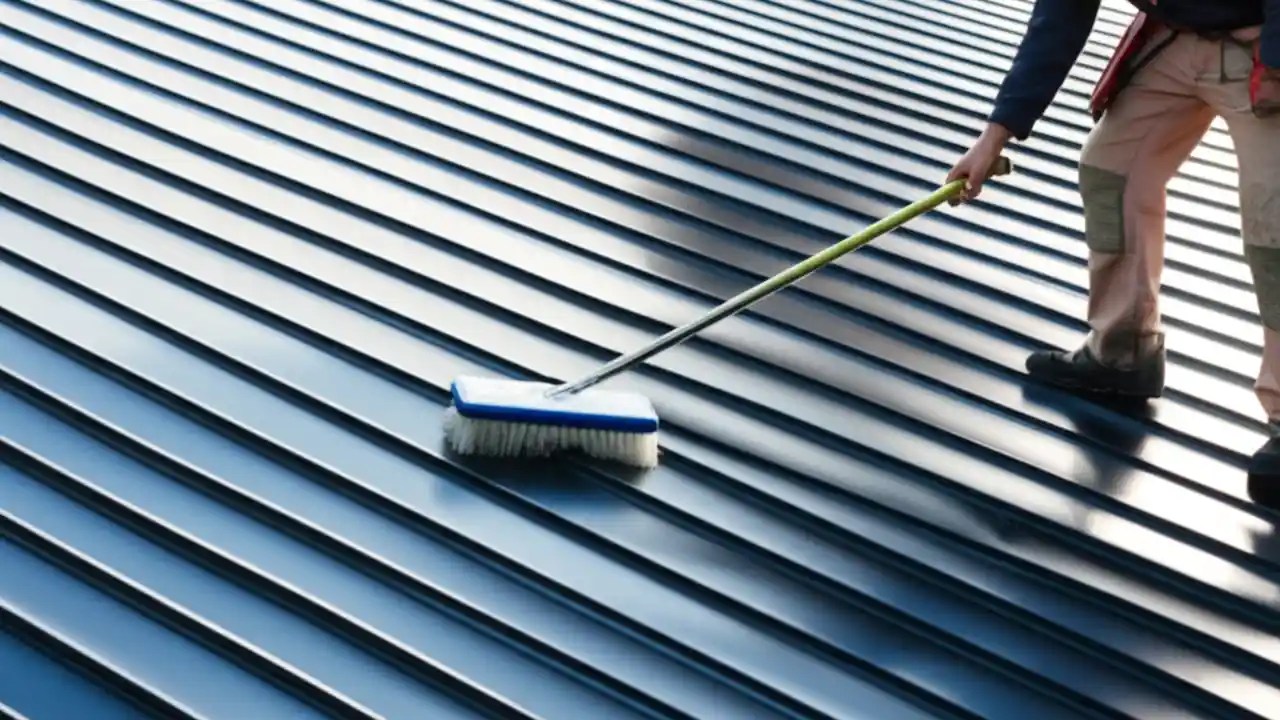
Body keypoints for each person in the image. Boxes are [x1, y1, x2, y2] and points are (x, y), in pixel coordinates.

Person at [946, 0, 1279, 509]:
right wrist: (996, 135)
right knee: (1111, 172)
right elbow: (1062, 12)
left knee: (1273, 219)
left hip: (1264, 43)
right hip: (1179, 36)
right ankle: (1123, 354)